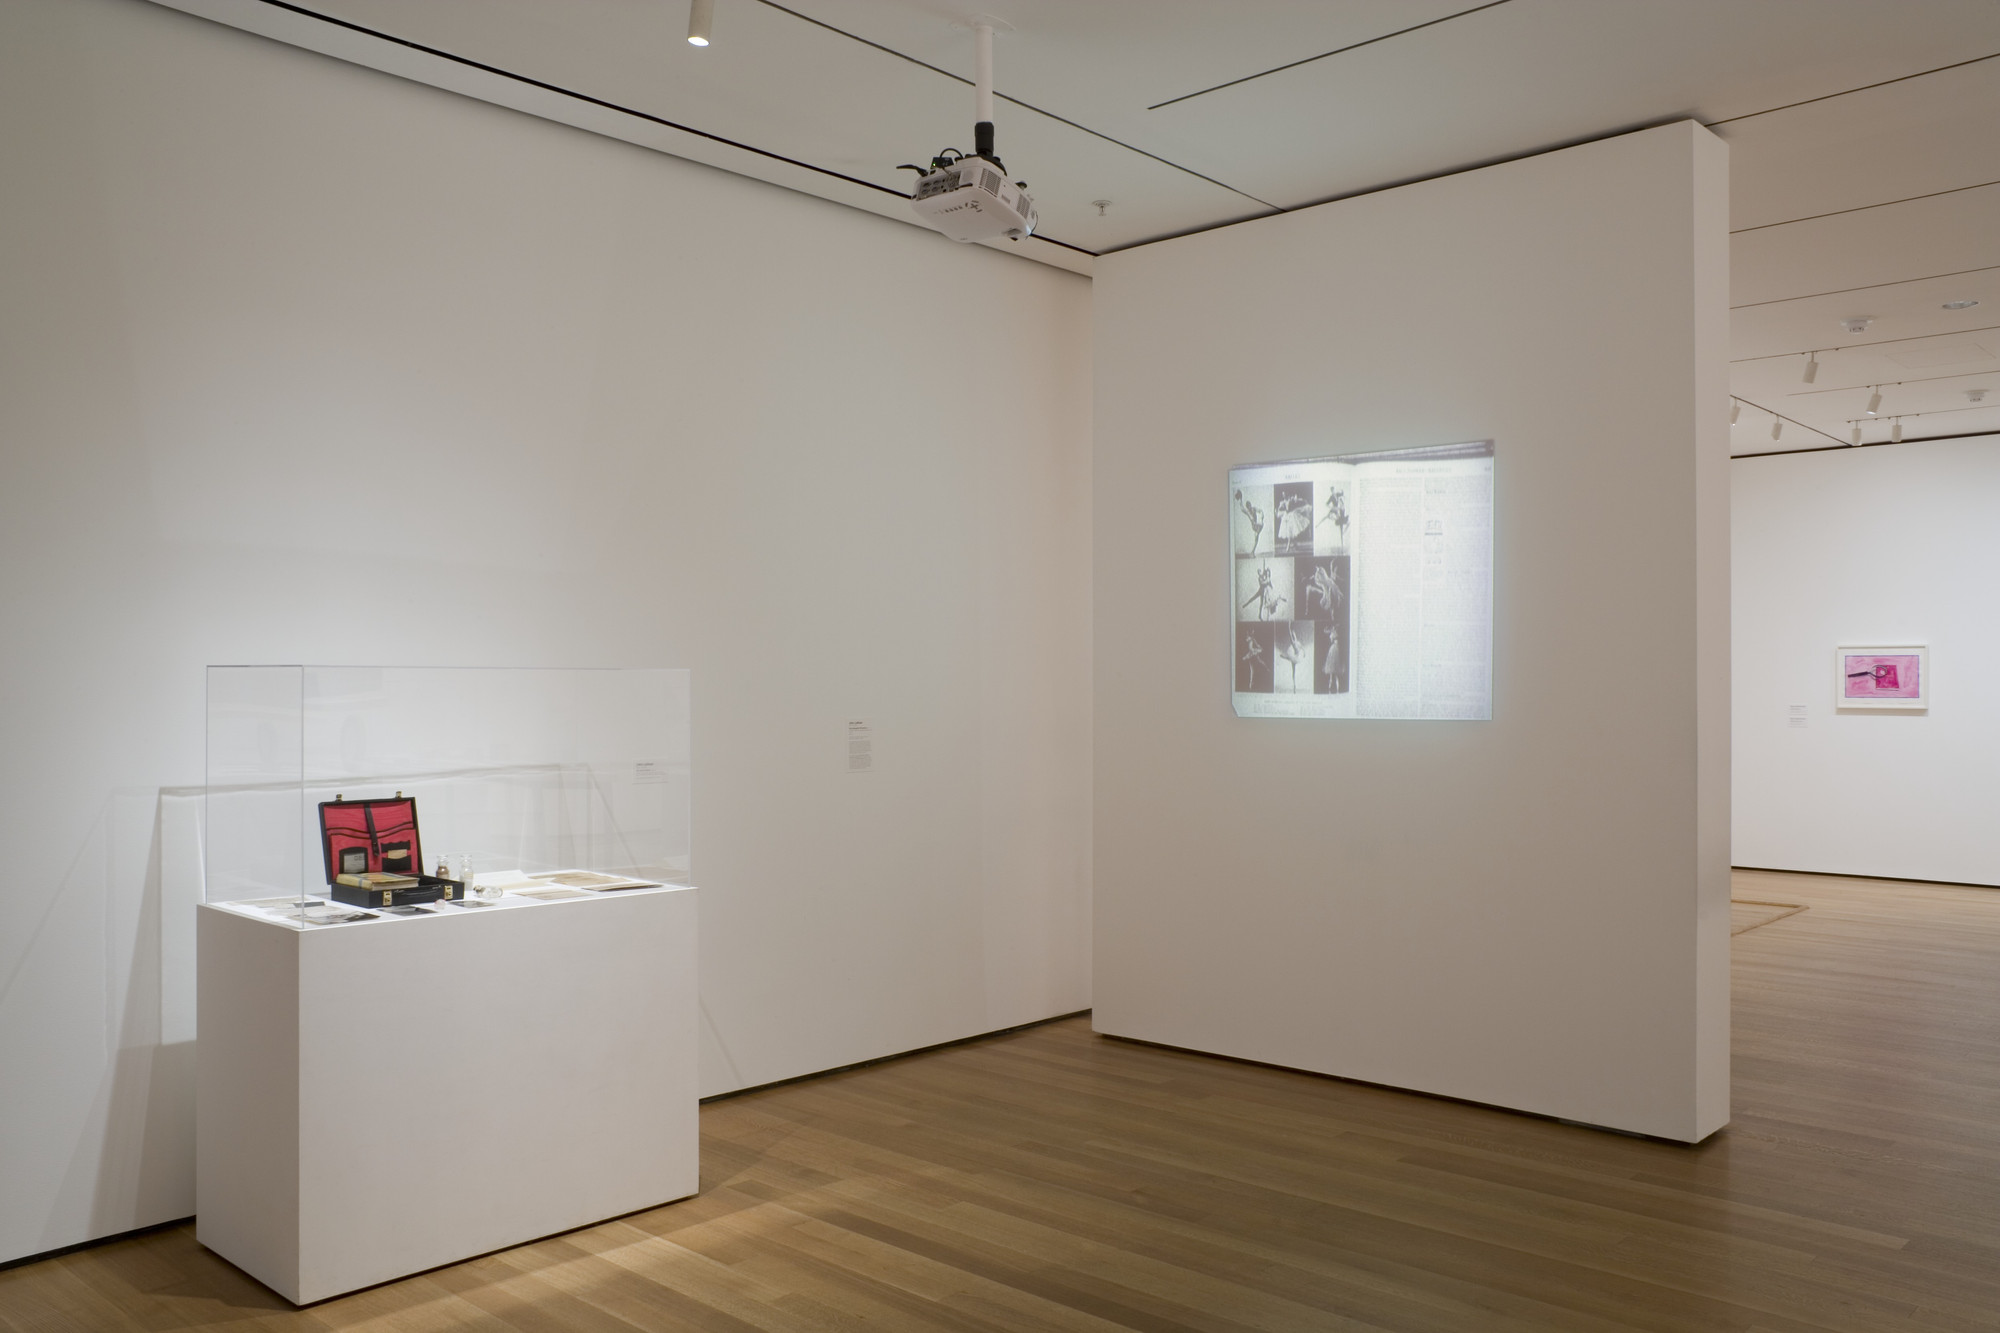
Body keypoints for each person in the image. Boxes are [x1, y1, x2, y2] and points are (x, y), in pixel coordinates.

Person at [1234, 489, 1265, 554]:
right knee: (1256, 536)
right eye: (1248, 507)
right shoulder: (1248, 512)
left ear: (1250, 505)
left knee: (1256, 539)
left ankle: (1252, 552)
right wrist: (1241, 499)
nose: (1249, 508)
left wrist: (1262, 515)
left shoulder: (1253, 509)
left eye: (1250, 506)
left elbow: (1260, 510)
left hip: (1257, 525)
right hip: (1254, 526)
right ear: (1247, 507)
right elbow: (1242, 508)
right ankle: (1252, 552)